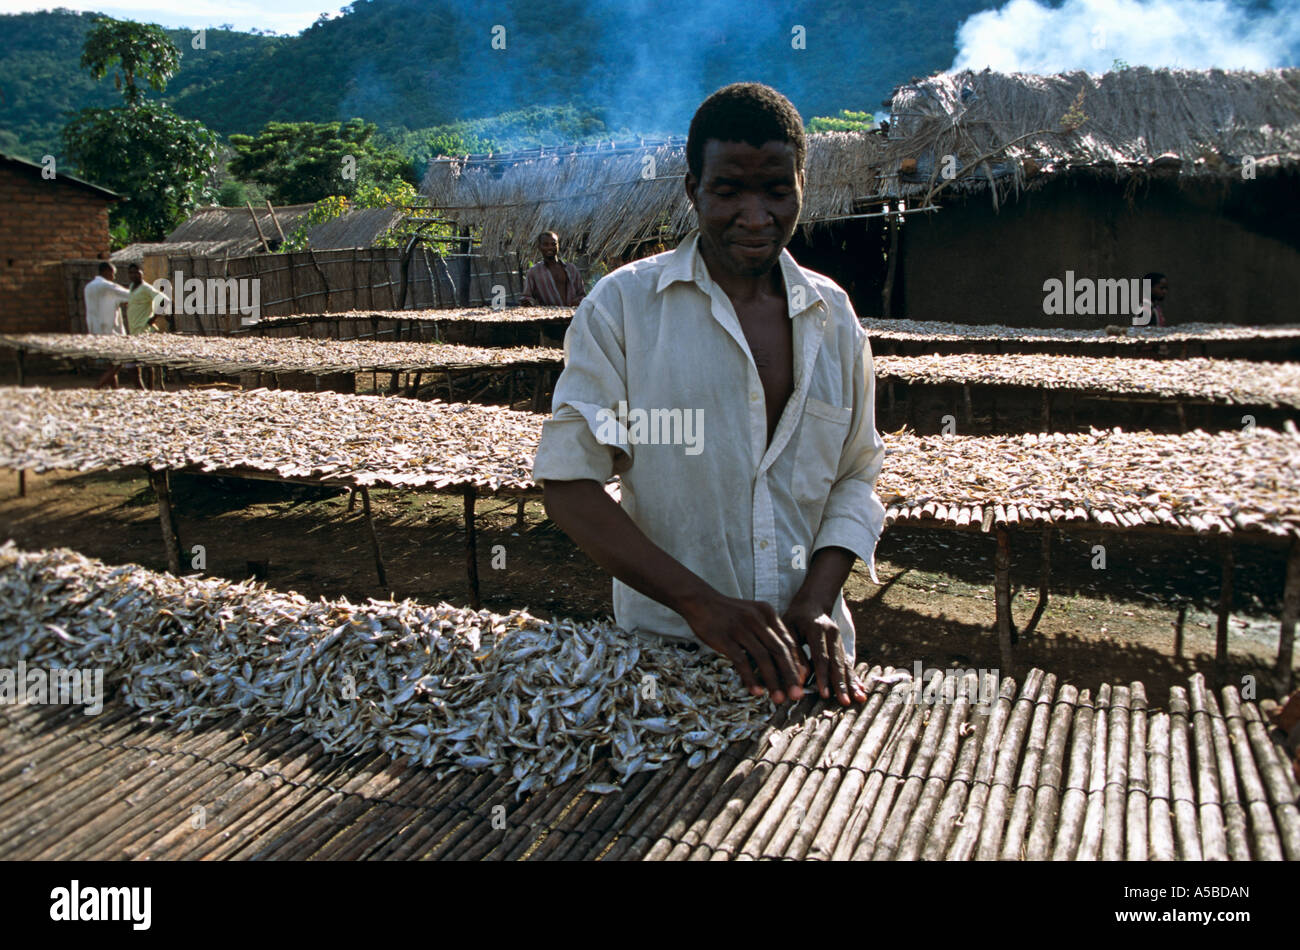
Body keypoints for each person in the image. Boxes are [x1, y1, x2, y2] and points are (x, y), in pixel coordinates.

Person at [533, 83, 885, 708]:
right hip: (666, 659)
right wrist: (700, 605)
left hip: (810, 664)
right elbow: (569, 483)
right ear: (693, 189)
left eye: (776, 190)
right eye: (728, 191)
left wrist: (813, 602)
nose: (755, 215)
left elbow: (855, 476)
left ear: (802, 184)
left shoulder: (833, 315)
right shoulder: (622, 309)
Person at [83, 261, 130, 388]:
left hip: (95, 329)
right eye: (113, 274)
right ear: (107, 272)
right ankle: (96, 388)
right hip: (109, 330)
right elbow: (130, 296)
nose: (114, 277)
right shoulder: (108, 286)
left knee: (111, 362)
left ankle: (115, 390)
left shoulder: (89, 287)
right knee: (119, 362)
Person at [124, 262, 168, 389]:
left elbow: (164, 299)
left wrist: (153, 318)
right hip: (133, 330)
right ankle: (142, 390)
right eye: (131, 272)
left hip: (144, 330)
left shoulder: (146, 288)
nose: (134, 275)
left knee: (146, 364)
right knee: (135, 365)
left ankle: (149, 389)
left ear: (142, 273)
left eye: (136, 272)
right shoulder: (132, 287)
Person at [520, 232, 586, 306]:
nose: (550, 247)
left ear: (558, 246)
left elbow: (582, 295)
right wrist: (530, 302)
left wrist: (578, 301)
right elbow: (526, 297)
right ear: (539, 247)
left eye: (553, 244)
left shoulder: (571, 269)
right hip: (549, 316)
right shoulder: (534, 272)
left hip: (574, 315)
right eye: (545, 244)